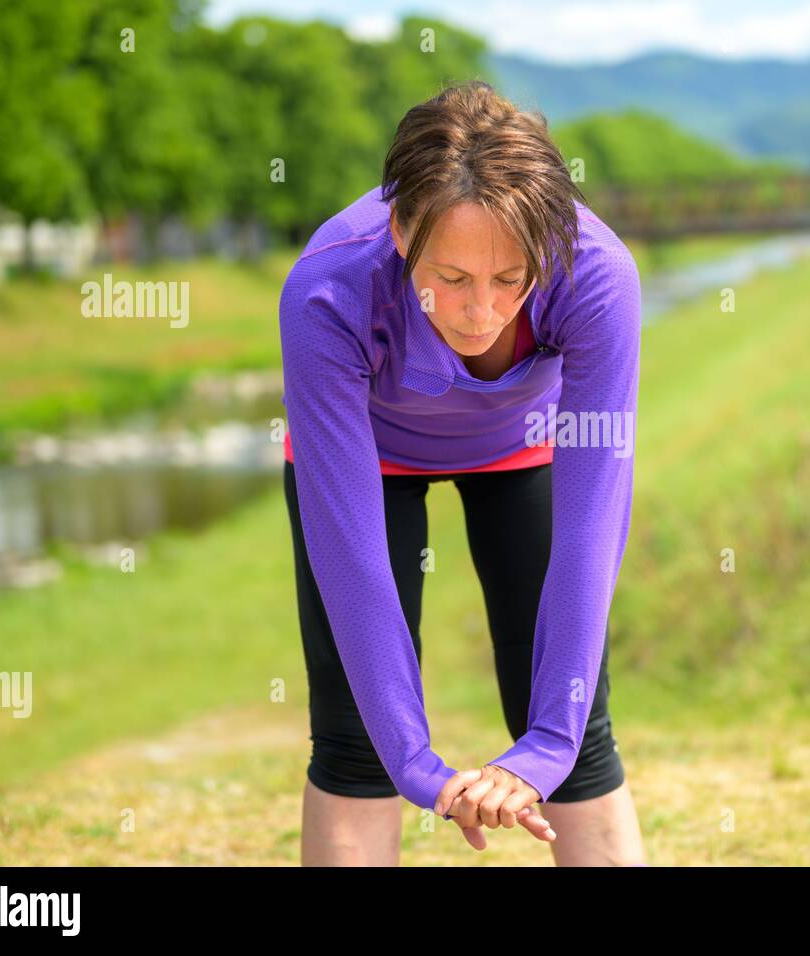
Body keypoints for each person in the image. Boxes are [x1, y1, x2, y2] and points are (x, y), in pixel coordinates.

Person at [278, 80, 647, 866]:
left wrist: (545, 746)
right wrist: (415, 764)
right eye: (450, 279)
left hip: (521, 445)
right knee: (355, 741)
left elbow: (591, 530)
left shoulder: (598, 275)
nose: (481, 314)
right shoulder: (328, 289)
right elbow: (356, 566)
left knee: (580, 729)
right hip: (368, 452)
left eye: (511, 280)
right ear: (403, 228)